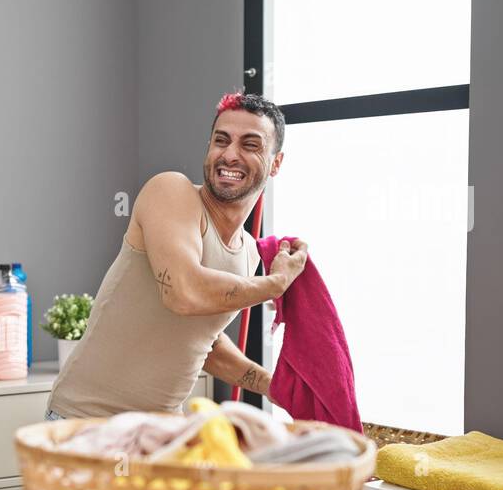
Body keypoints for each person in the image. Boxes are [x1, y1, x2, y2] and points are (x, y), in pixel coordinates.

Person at [45, 92, 308, 421]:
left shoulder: (249, 255)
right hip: (85, 425)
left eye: (250, 145)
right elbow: (182, 292)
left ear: (276, 163)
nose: (229, 155)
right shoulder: (171, 191)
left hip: (161, 433)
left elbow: (204, 344)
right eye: (220, 140)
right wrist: (276, 283)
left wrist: (276, 388)